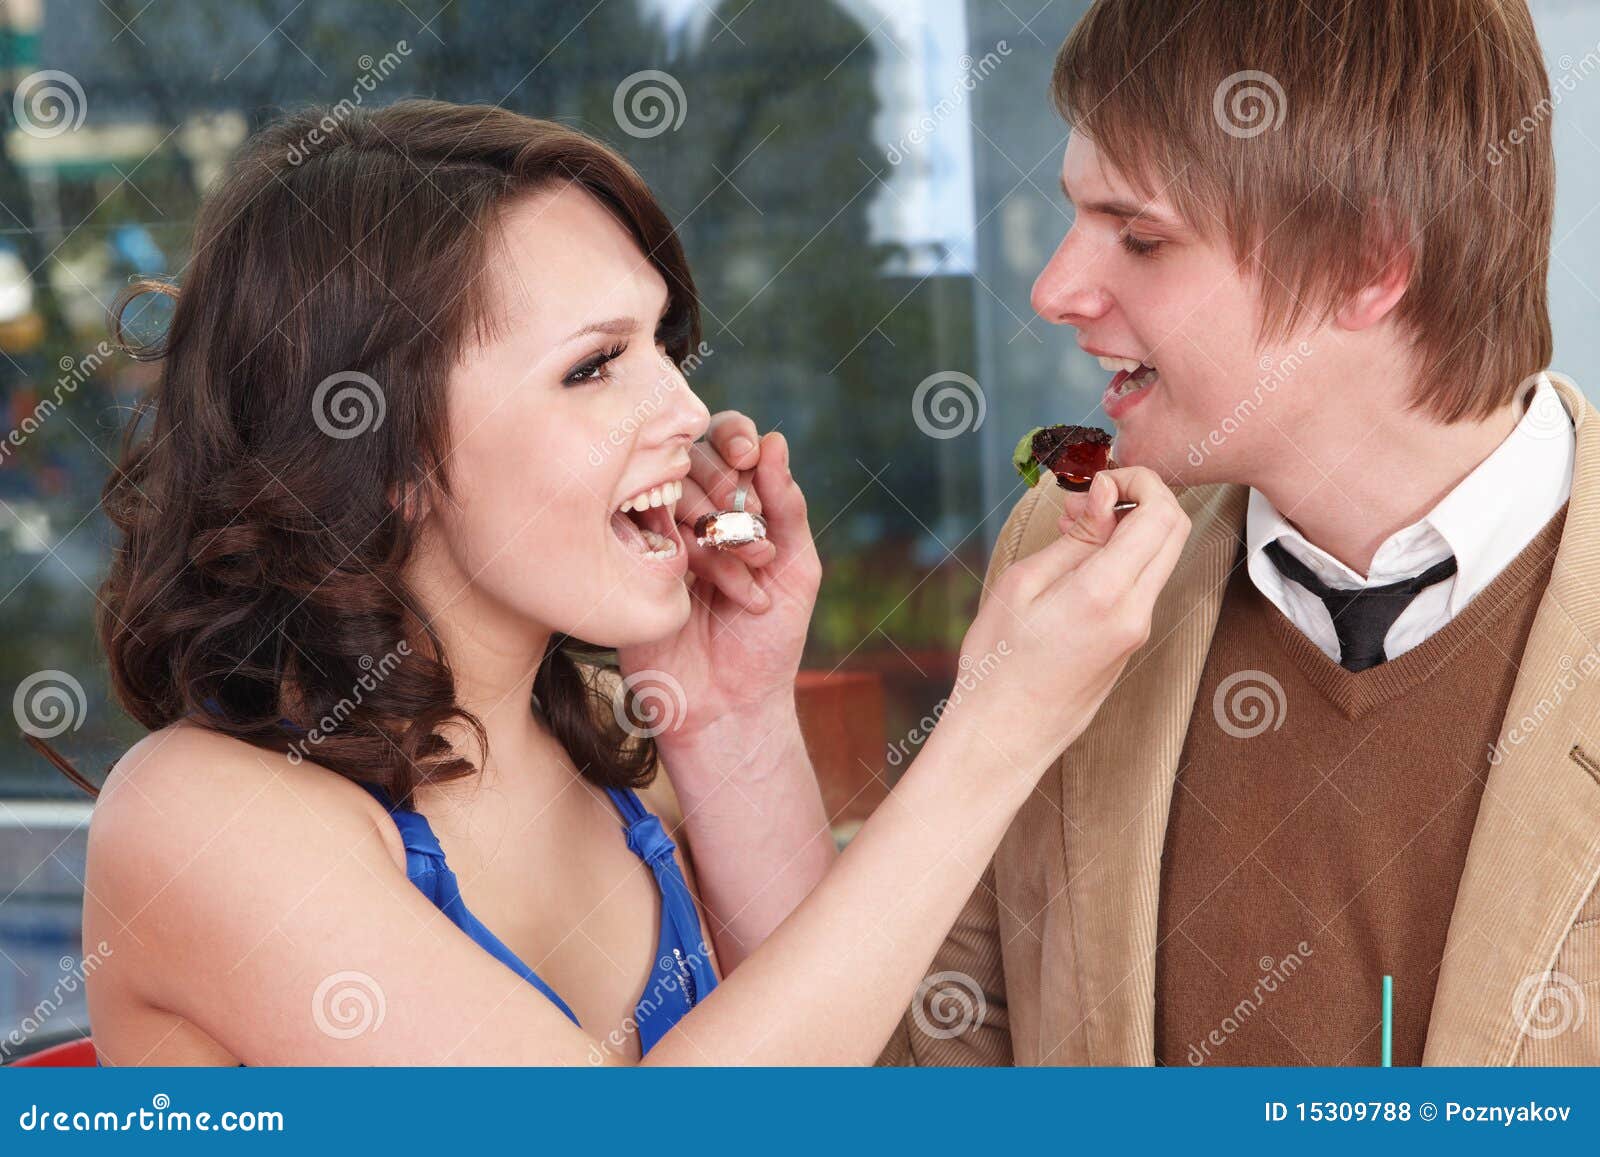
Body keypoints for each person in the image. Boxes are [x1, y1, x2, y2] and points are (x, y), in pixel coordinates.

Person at [65, 100, 1190, 1065]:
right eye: (595, 365)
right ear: (384, 449)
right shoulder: (200, 821)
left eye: (663, 344)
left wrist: (731, 719)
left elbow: (838, 1084)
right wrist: (998, 723)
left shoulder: (625, 761)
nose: (689, 415)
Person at [882, 0, 1600, 1068]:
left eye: (1140, 237)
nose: (1053, 289)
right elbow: (922, 1063)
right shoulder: (1073, 552)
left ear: (1368, 263)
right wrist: (741, 728)